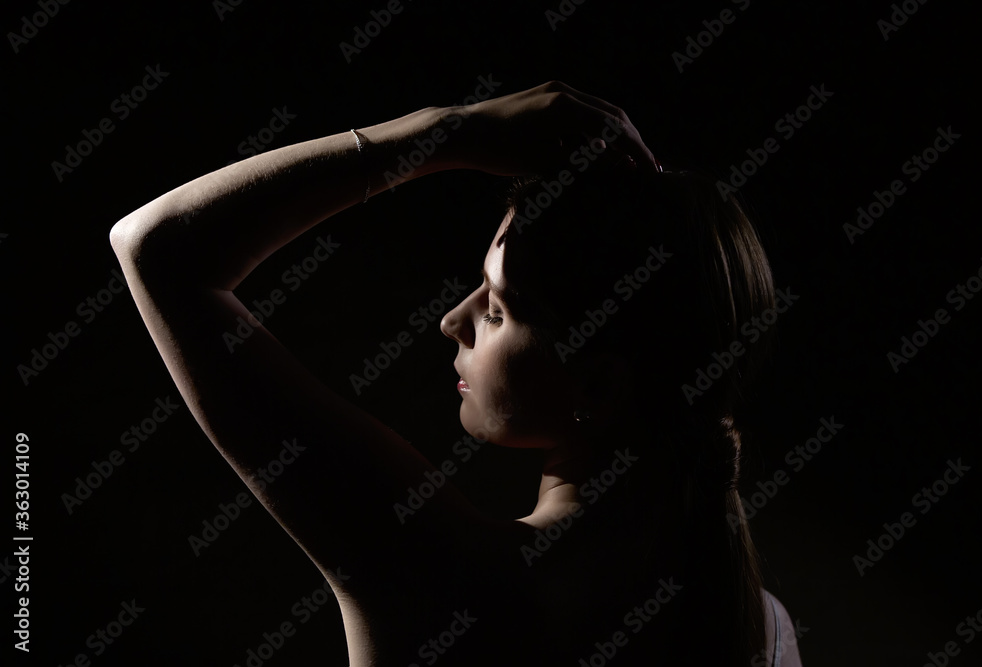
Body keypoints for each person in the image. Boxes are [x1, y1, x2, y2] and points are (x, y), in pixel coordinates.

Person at [110, 81, 802, 666]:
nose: (452, 319)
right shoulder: (762, 629)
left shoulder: (442, 578)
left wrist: (446, 132)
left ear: (598, 385)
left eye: (497, 308)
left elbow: (157, 248)